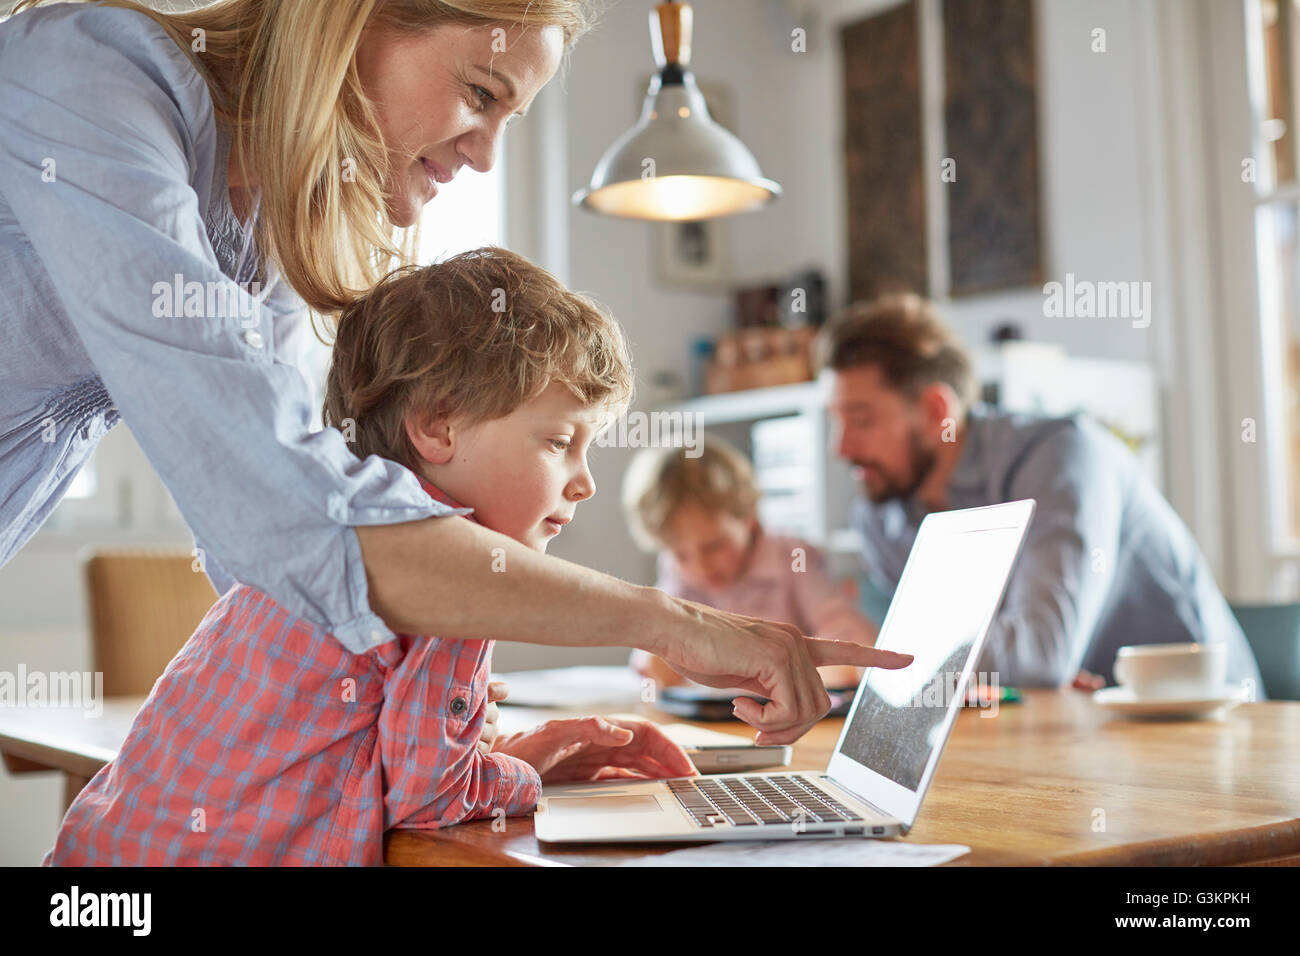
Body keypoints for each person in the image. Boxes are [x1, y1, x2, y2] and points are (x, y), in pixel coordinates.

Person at [0, 0, 905, 746]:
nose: (486, 155)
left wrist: (472, 749)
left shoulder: (261, 240)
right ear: (349, 20)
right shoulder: (91, 76)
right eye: (481, 92)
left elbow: (287, 549)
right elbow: (293, 517)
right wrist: (676, 622)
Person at [46, 247, 714, 865]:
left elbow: (376, 759)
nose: (585, 481)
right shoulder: (450, 576)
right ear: (437, 425)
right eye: (559, 441)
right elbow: (433, 797)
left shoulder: (320, 537)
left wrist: (501, 753)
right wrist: (524, 775)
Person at [816, 292, 1264, 692]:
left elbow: (1039, 657)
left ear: (937, 410)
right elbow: (977, 672)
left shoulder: (1062, 456)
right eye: (836, 420)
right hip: (1068, 731)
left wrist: (885, 650)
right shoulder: (881, 513)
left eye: (862, 419)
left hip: (1205, 725)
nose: (841, 448)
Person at [622, 438, 878, 689]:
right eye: (680, 554)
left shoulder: (792, 557)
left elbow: (849, 643)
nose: (700, 566)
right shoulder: (679, 573)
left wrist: (814, 674)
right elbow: (649, 657)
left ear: (749, 516)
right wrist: (656, 661)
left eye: (714, 546)